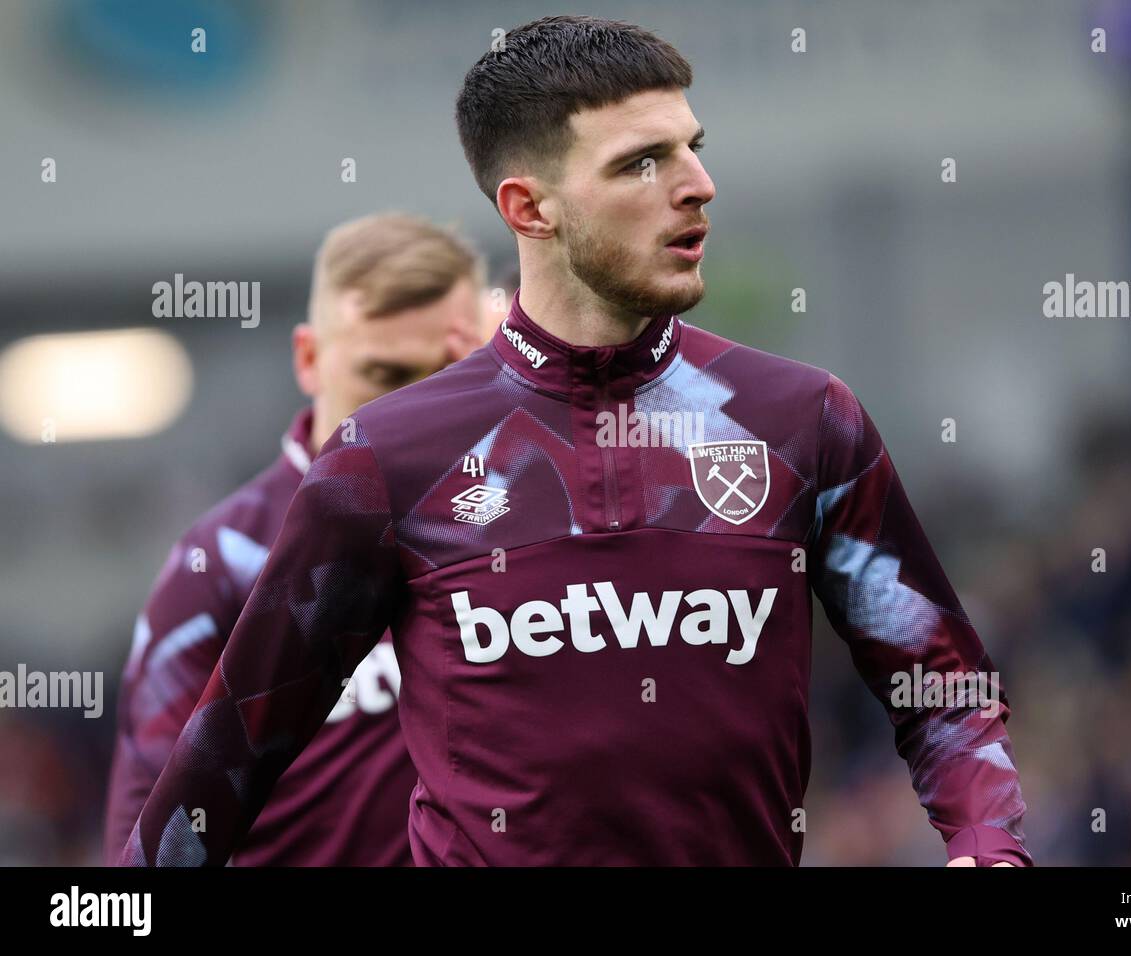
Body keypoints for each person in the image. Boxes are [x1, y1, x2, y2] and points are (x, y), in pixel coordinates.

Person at [121, 17, 1031, 867]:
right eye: (643, 162)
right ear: (531, 209)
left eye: (692, 149)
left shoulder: (803, 420)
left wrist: (989, 848)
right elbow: (228, 757)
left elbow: (941, 683)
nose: (697, 184)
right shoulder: (384, 460)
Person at [105, 212, 486, 865]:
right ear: (309, 359)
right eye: (389, 378)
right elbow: (145, 845)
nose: (421, 413)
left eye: (451, 375)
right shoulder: (222, 561)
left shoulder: (529, 531)